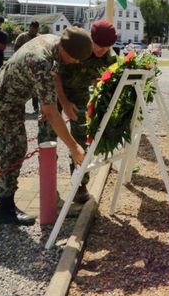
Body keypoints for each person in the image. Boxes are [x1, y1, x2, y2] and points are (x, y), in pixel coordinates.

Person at [0, 27, 92, 225]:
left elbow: (49, 82)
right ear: (66, 51)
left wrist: (56, 102)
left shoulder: (51, 41)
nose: (75, 63)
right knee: (15, 147)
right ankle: (5, 208)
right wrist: (74, 146)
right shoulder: (41, 61)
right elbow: (51, 112)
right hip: (5, 100)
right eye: (75, 59)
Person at [50, 19, 119, 204]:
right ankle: (48, 183)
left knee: (81, 138)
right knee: (47, 137)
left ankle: (80, 184)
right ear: (91, 38)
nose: (101, 51)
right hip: (53, 91)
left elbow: (109, 79)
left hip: (80, 94)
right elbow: (53, 74)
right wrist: (63, 101)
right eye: (98, 46)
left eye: (106, 47)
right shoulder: (76, 45)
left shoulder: (109, 57)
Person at [13, 20, 41, 114]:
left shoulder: (39, 37)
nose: (34, 31)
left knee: (35, 88)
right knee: (21, 86)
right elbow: (16, 48)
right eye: (32, 29)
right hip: (22, 65)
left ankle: (36, 107)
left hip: (35, 66)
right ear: (30, 27)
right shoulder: (22, 36)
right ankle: (20, 107)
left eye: (36, 29)